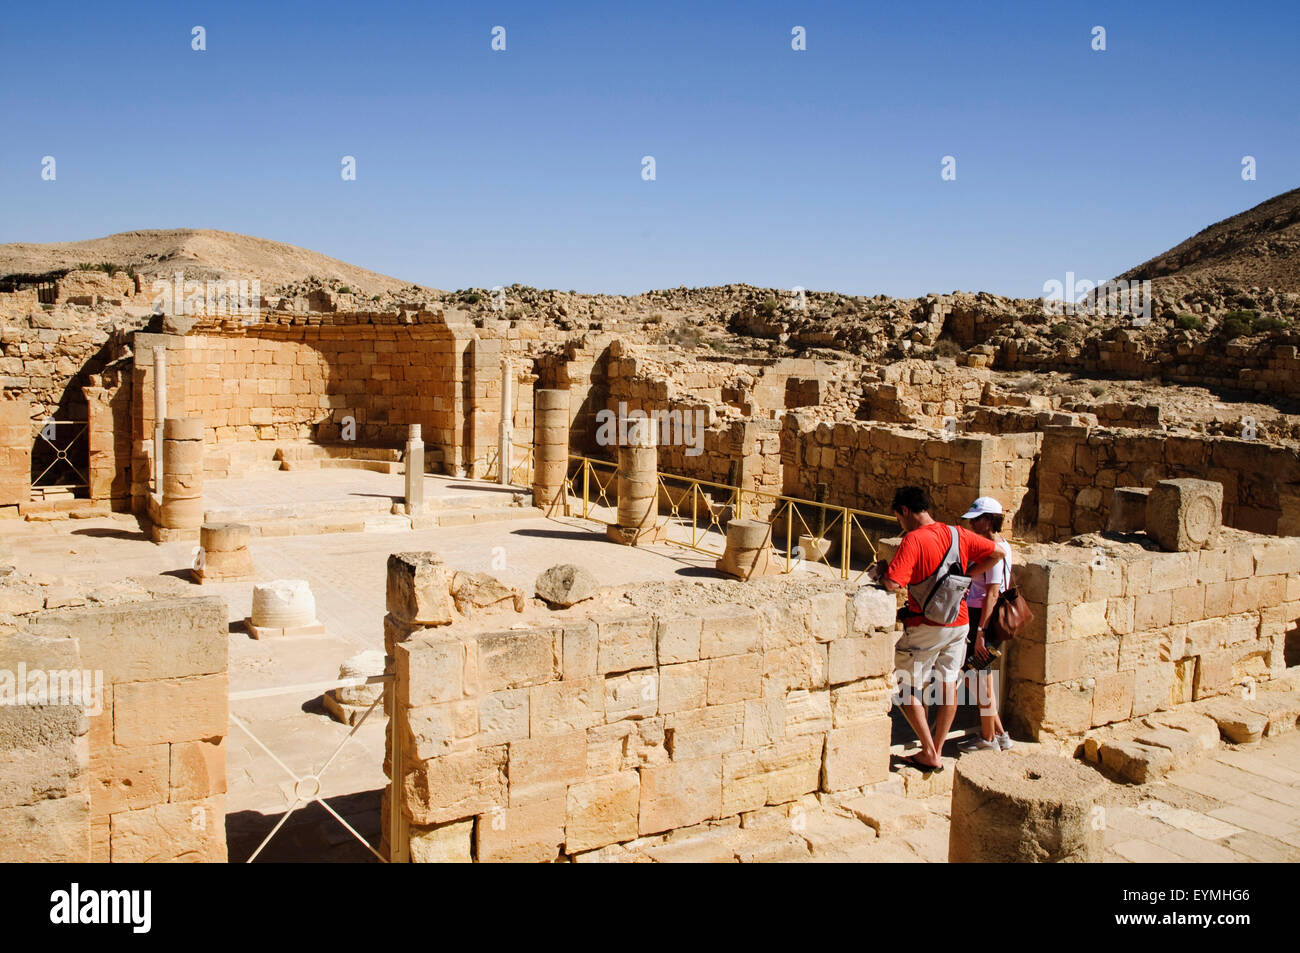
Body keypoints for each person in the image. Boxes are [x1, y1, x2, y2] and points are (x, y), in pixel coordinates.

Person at [878, 486, 1002, 772]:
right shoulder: (958, 534)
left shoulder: (913, 540)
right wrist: (966, 578)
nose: (900, 522)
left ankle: (929, 750)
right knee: (947, 686)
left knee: (904, 686)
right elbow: (997, 552)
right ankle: (938, 745)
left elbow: (893, 584)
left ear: (906, 511)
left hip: (926, 625)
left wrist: (882, 571)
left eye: (899, 517)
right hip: (958, 623)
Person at [957, 497, 1015, 752]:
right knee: (977, 676)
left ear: (989, 520)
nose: (972, 523)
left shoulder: (993, 547)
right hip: (983, 617)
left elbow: (992, 591)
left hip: (982, 618)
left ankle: (988, 739)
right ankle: (1000, 734)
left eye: (977, 519)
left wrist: (980, 632)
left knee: (979, 678)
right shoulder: (1004, 545)